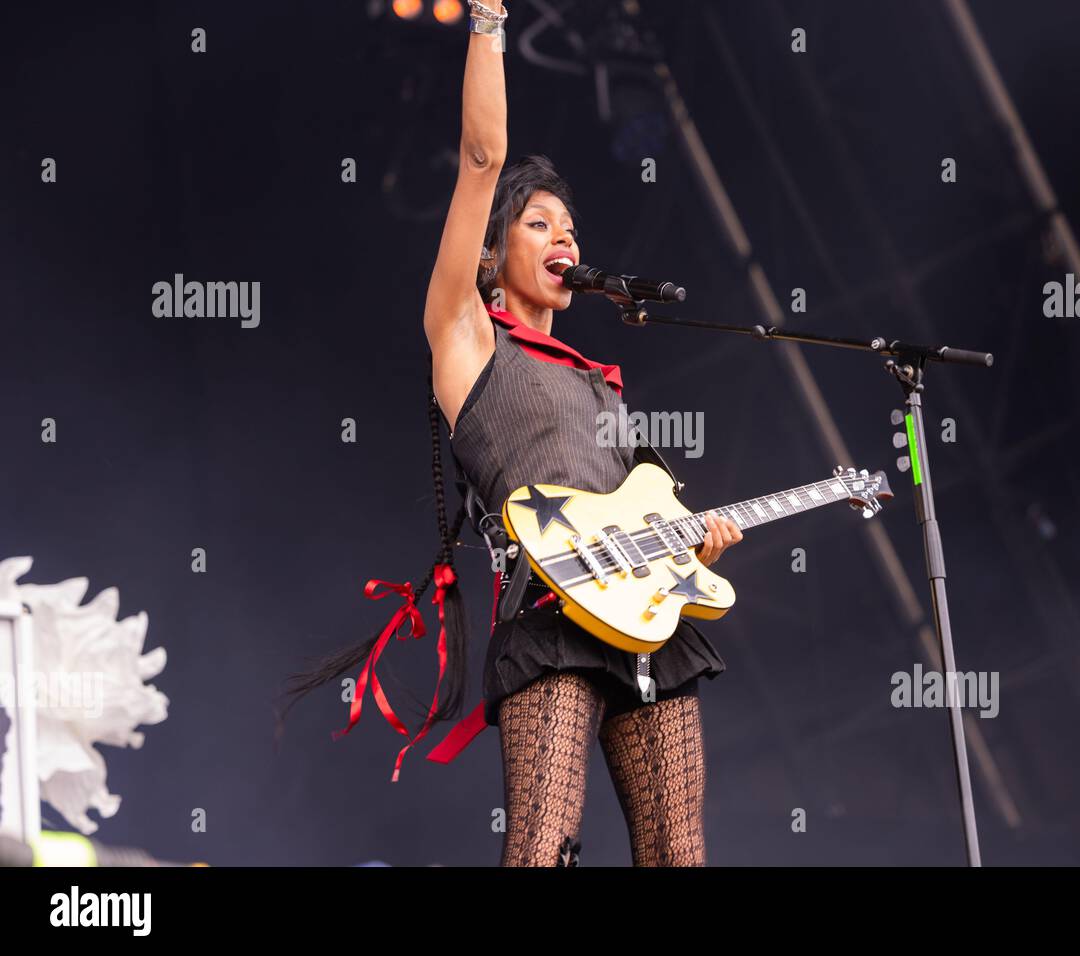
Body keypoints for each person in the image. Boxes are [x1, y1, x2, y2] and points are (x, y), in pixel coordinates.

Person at [281, 0, 743, 867]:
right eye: (541, 223)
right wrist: (488, 17)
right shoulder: (465, 336)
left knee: (680, 852)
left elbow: (640, 514)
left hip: (650, 618)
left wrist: (696, 551)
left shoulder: (597, 381)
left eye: (571, 227)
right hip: (555, 610)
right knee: (540, 846)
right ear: (492, 256)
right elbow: (484, 156)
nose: (566, 236)